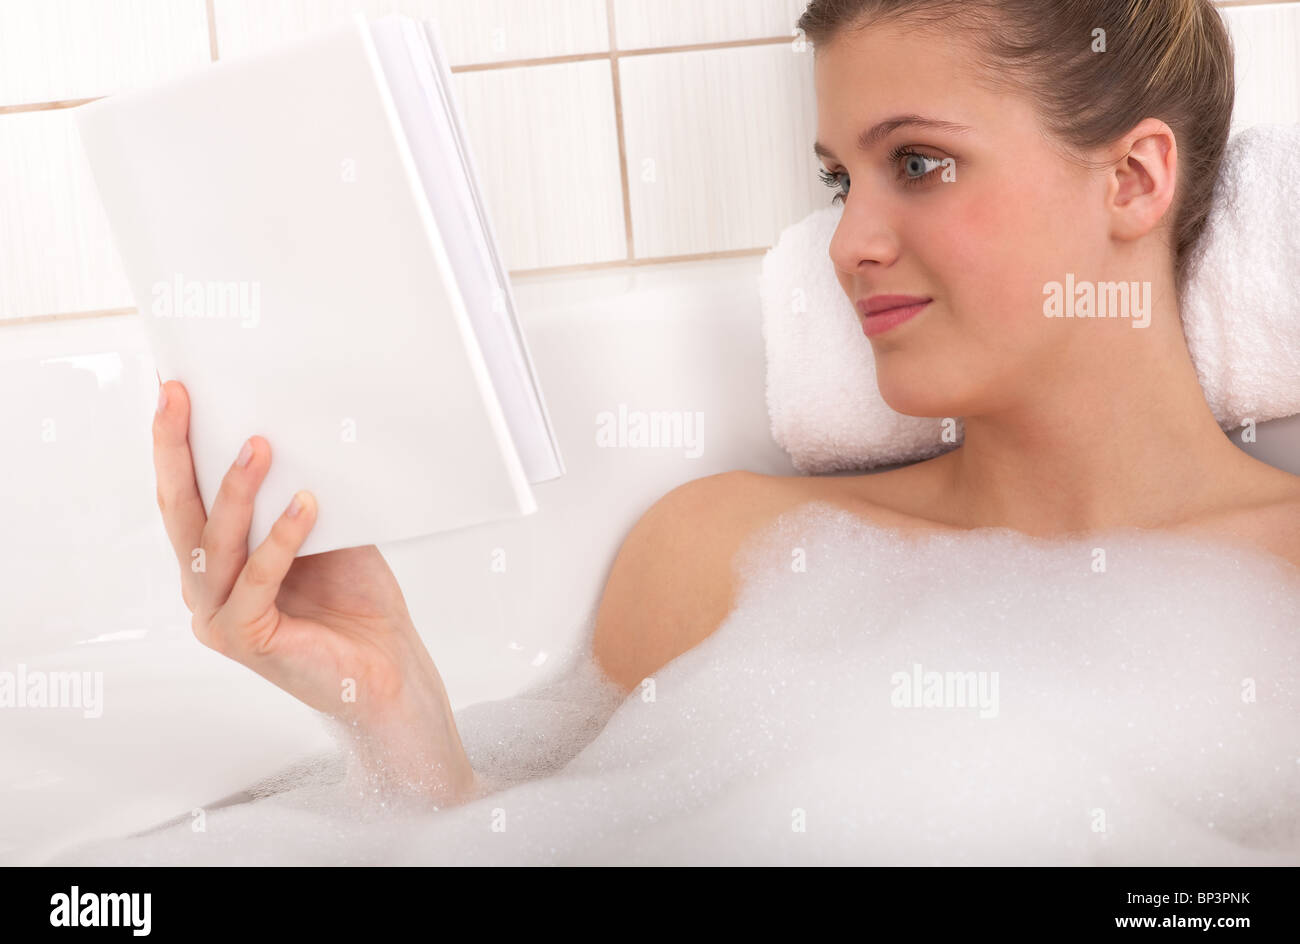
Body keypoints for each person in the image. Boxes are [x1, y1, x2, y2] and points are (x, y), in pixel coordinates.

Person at [149, 0, 1300, 809]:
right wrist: (397, 726)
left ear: (1135, 179)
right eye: (839, 179)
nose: (848, 240)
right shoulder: (725, 556)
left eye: (921, 164)